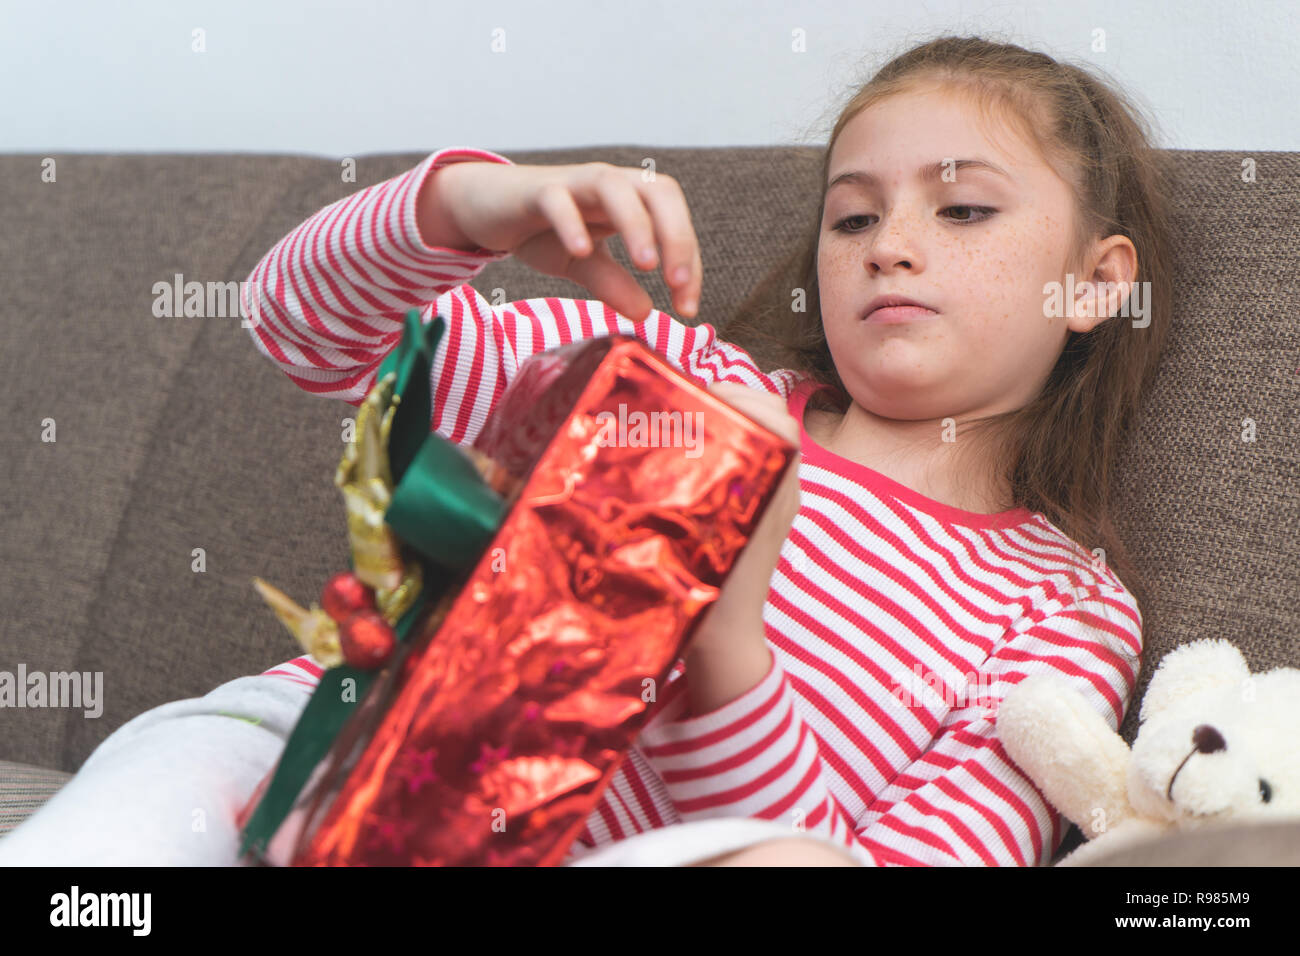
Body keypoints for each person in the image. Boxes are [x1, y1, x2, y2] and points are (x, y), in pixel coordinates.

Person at [0, 35, 1172, 867]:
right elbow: (298, 328)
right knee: (167, 788)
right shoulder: (678, 376)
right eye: (853, 215)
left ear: (1096, 283)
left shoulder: (1061, 605)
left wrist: (725, 633)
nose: (891, 246)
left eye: (961, 210)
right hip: (335, 747)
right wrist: (464, 205)